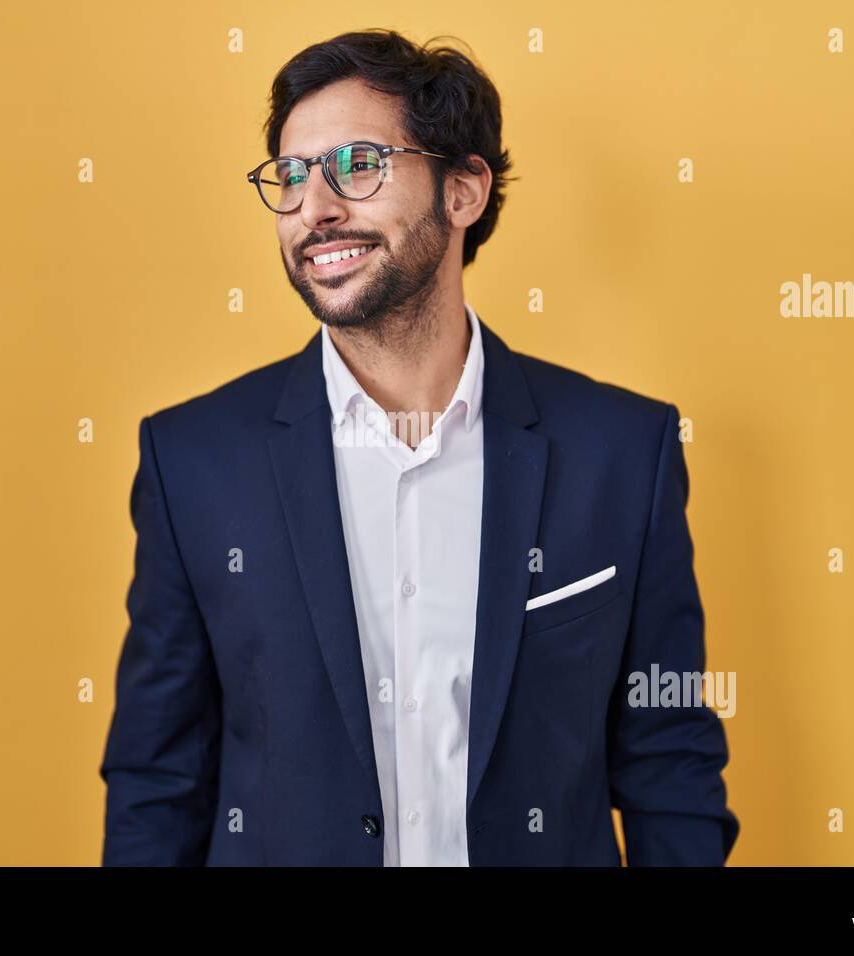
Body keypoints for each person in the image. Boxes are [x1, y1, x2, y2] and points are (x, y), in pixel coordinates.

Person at [100, 28, 737, 866]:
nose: (315, 209)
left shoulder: (623, 452)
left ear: (464, 189)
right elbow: (158, 779)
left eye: (358, 165)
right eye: (291, 178)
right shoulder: (194, 461)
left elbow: (669, 761)